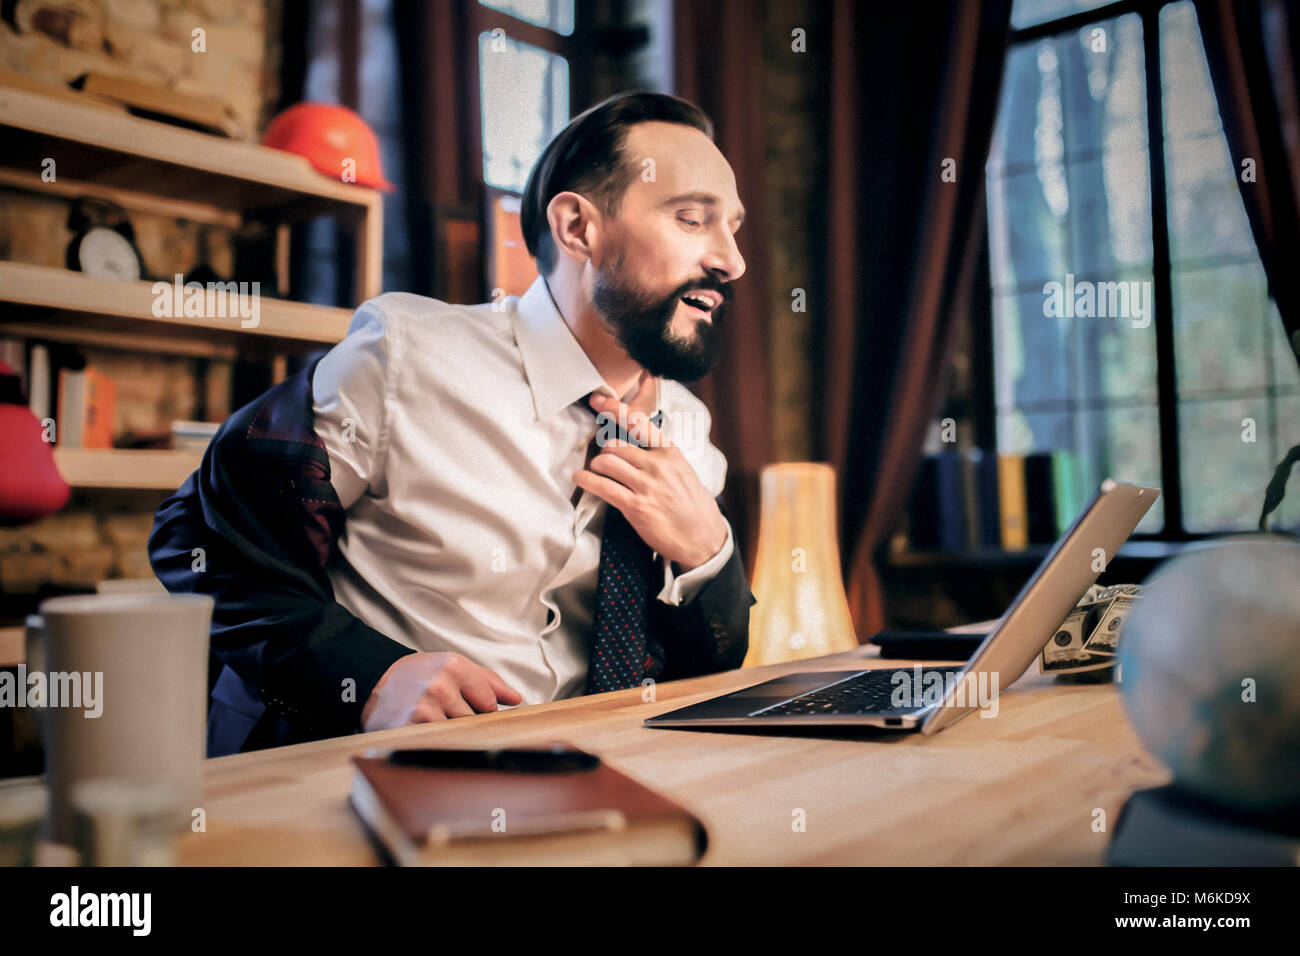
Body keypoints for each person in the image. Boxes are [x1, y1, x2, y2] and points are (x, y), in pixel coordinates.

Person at [150, 91, 756, 756]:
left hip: (591, 788)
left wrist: (710, 554)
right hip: (354, 779)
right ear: (578, 229)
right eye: (694, 220)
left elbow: (707, 672)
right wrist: (368, 676)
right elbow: (197, 540)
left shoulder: (690, 433)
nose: (732, 260)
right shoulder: (405, 358)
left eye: (733, 227)